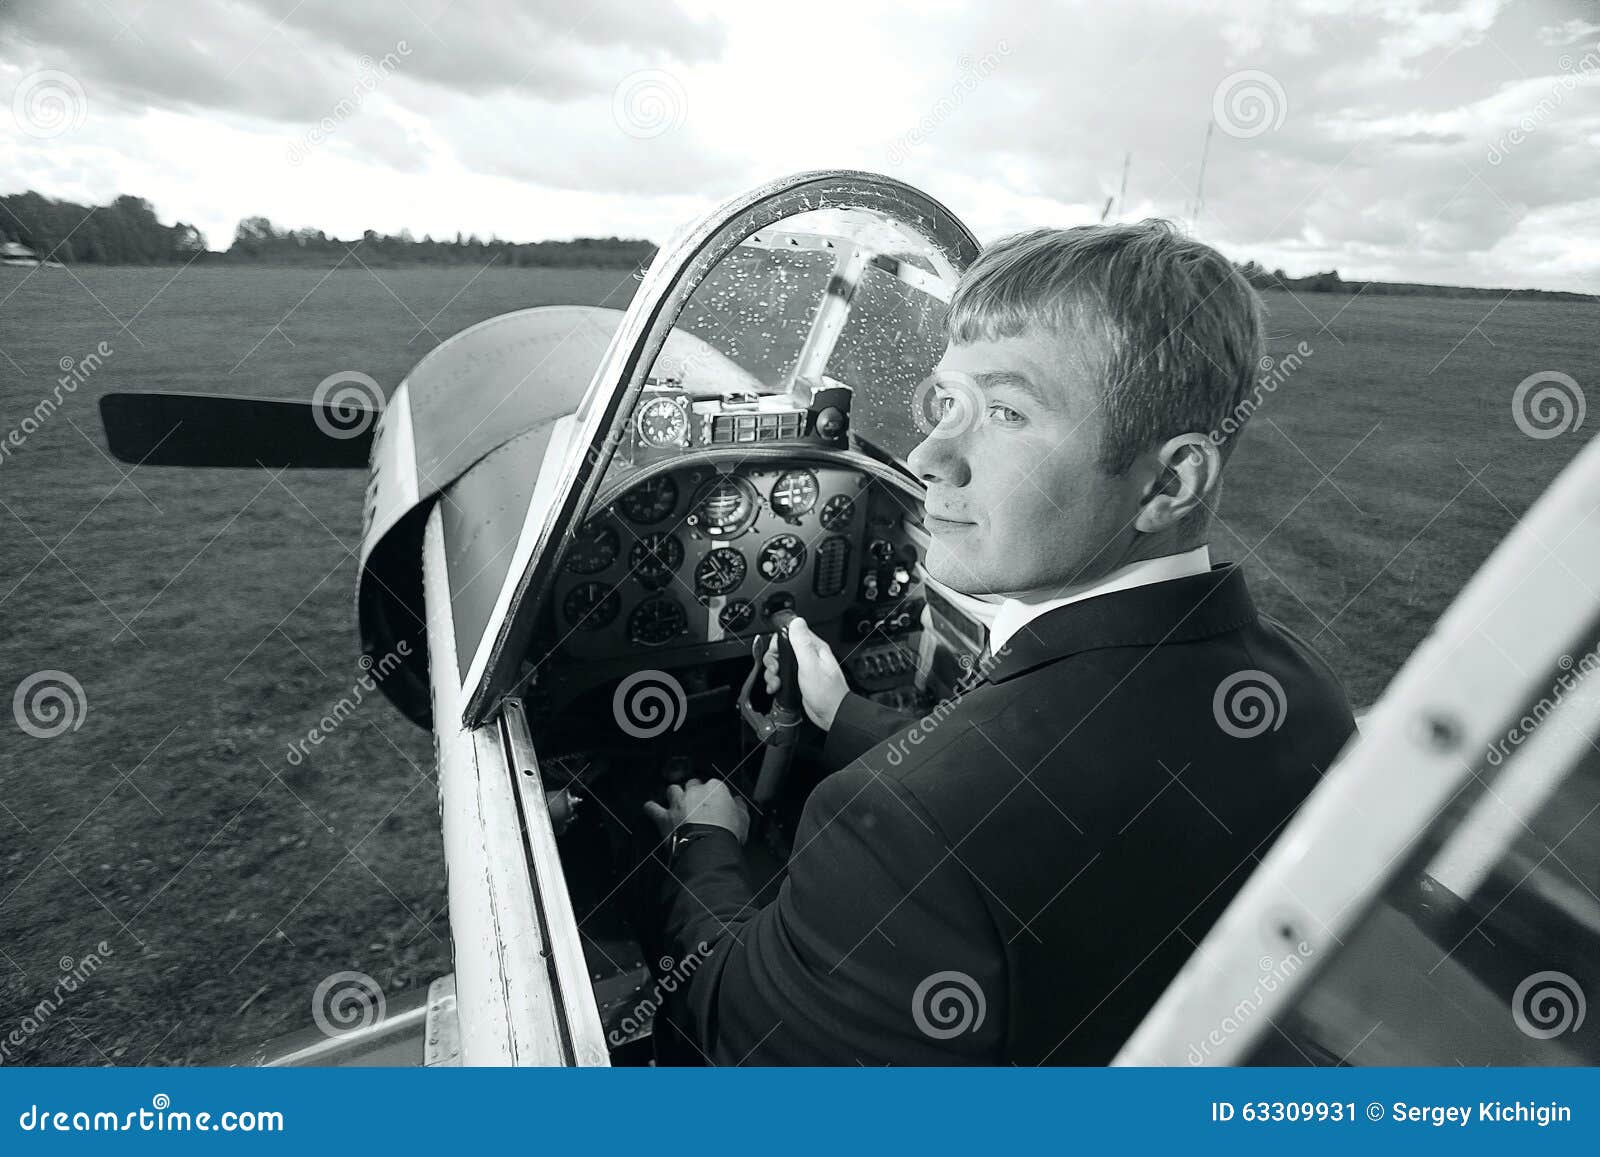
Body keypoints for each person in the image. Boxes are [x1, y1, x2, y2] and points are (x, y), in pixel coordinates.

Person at [644, 220, 1356, 1065]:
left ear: (1168, 481)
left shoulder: (906, 830)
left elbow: (733, 1025)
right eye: (949, 402)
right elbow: (1043, 771)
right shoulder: (1306, 699)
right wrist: (840, 714)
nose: (928, 455)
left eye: (1009, 412)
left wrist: (703, 842)